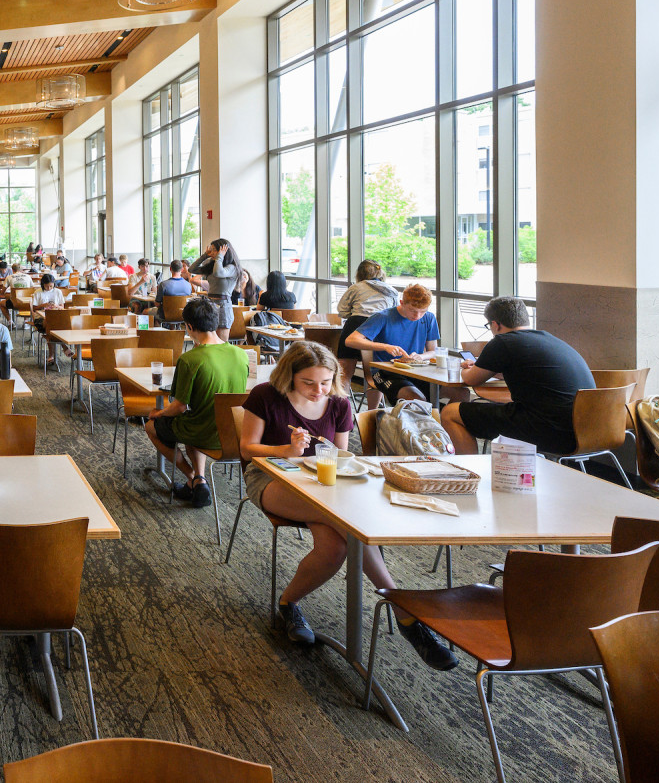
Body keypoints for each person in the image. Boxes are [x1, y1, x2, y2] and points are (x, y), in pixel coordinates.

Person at [239, 342, 456, 668]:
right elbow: (246, 449)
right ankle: (404, 613)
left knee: (336, 549)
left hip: (322, 484)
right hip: (271, 478)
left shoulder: (339, 403)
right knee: (348, 522)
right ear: (290, 377)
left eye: (325, 382)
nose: (318, 390)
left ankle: (288, 604)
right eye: (308, 383)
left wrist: (338, 457)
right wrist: (286, 450)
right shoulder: (265, 395)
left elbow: (340, 454)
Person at [440, 297, 595, 456]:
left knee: (450, 413)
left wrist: (466, 367)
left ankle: (472, 475)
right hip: (589, 429)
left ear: (495, 324)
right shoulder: (548, 338)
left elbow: (470, 379)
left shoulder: (503, 341)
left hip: (550, 430)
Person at [145, 296, 250, 505]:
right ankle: (199, 480)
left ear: (189, 326)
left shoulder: (190, 359)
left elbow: (178, 406)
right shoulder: (241, 355)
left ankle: (192, 475)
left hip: (201, 431)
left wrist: (159, 413)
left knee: (151, 426)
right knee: (195, 418)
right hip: (233, 434)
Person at [344, 283, 440, 406]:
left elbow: (433, 351)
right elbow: (351, 340)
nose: (418, 316)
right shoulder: (383, 317)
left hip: (415, 370)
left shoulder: (429, 318)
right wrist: (385, 346)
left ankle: (436, 424)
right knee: (416, 398)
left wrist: (421, 356)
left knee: (459, 392)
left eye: (423, 311)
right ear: (402, 302)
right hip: (383, 371)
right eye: (413, 310)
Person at [335, 260, 399, 397]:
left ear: (359, 273)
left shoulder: (356, 287)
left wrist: (353, 314)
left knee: (344, 373)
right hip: (380, 328)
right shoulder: (391, 290)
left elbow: (341, 310)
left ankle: (342, 408)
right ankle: (372, 413)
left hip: (355, 325)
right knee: (375, 376)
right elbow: (394, 312)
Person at [189, 239, 242, 339]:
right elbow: (191, 269)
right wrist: (205, 255)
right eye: (211, 250)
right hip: (210, 304)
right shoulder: (213, 266)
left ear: (224, 251)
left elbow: (219, 273)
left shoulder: (232, 268)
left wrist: (219, 257)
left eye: (214, 250)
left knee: (221, 341)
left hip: (223, 305)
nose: (212, 253)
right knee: (208, 340)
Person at [31, 273, 65, 367]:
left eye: (51, 286)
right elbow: (34, 308)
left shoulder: (58, 292)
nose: (49, 288)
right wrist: (43, 305)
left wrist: (56, 306)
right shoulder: (38, 292)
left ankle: (51, 355)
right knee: (50, 324)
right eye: (47, 286)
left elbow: (62, 307)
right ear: (43, 284)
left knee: (52, 325)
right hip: (40, 318)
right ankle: (63, 347)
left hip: (55, 317)